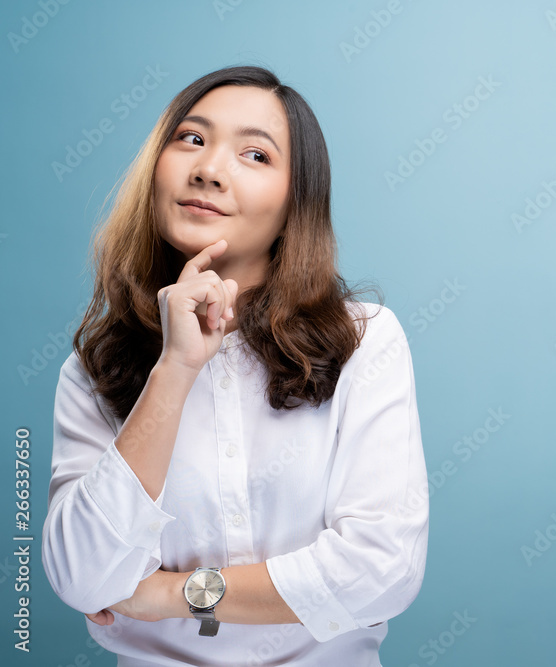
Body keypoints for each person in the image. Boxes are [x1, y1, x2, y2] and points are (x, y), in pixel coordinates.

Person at [41, 65, 429, 666]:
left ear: (295, 200)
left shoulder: (365, 342)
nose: (209, 170)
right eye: (191, 139)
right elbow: (81, 579)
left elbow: (384, 569)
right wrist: (174, 367)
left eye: (254, 154)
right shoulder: (94, 368)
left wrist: (174, 594)